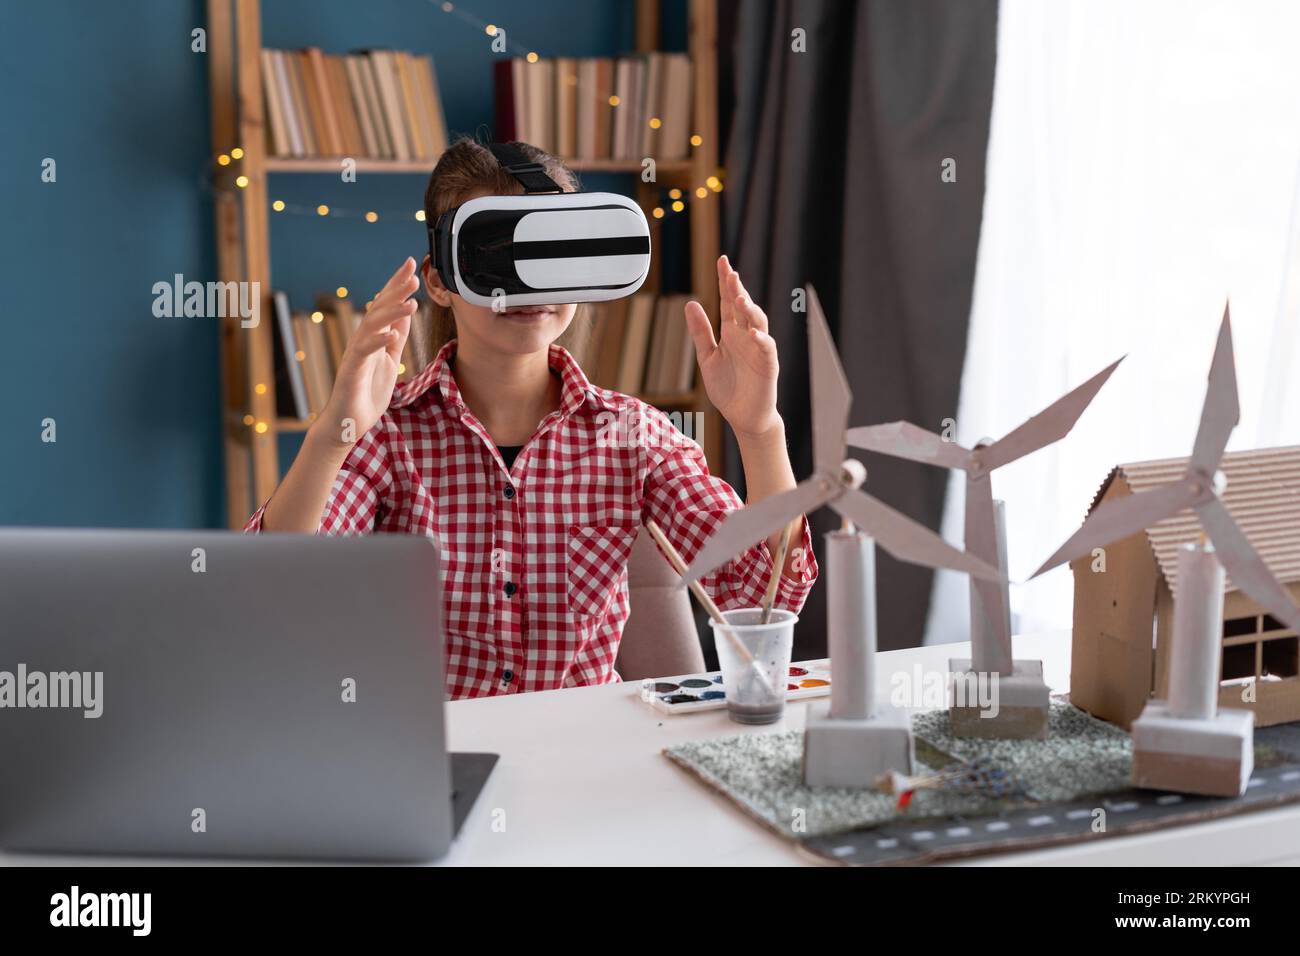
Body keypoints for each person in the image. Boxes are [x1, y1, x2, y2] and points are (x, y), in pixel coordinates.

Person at [247, 138, 818, 698]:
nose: (529, 287)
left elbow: (763, 598)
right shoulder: (387, 438)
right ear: (441, 280)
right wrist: (332, 433)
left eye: (552, 254)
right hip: (439, 757)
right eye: (497, 253)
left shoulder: (632, 435)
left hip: (583, 759)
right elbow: (278, 595)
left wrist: (759, 430)